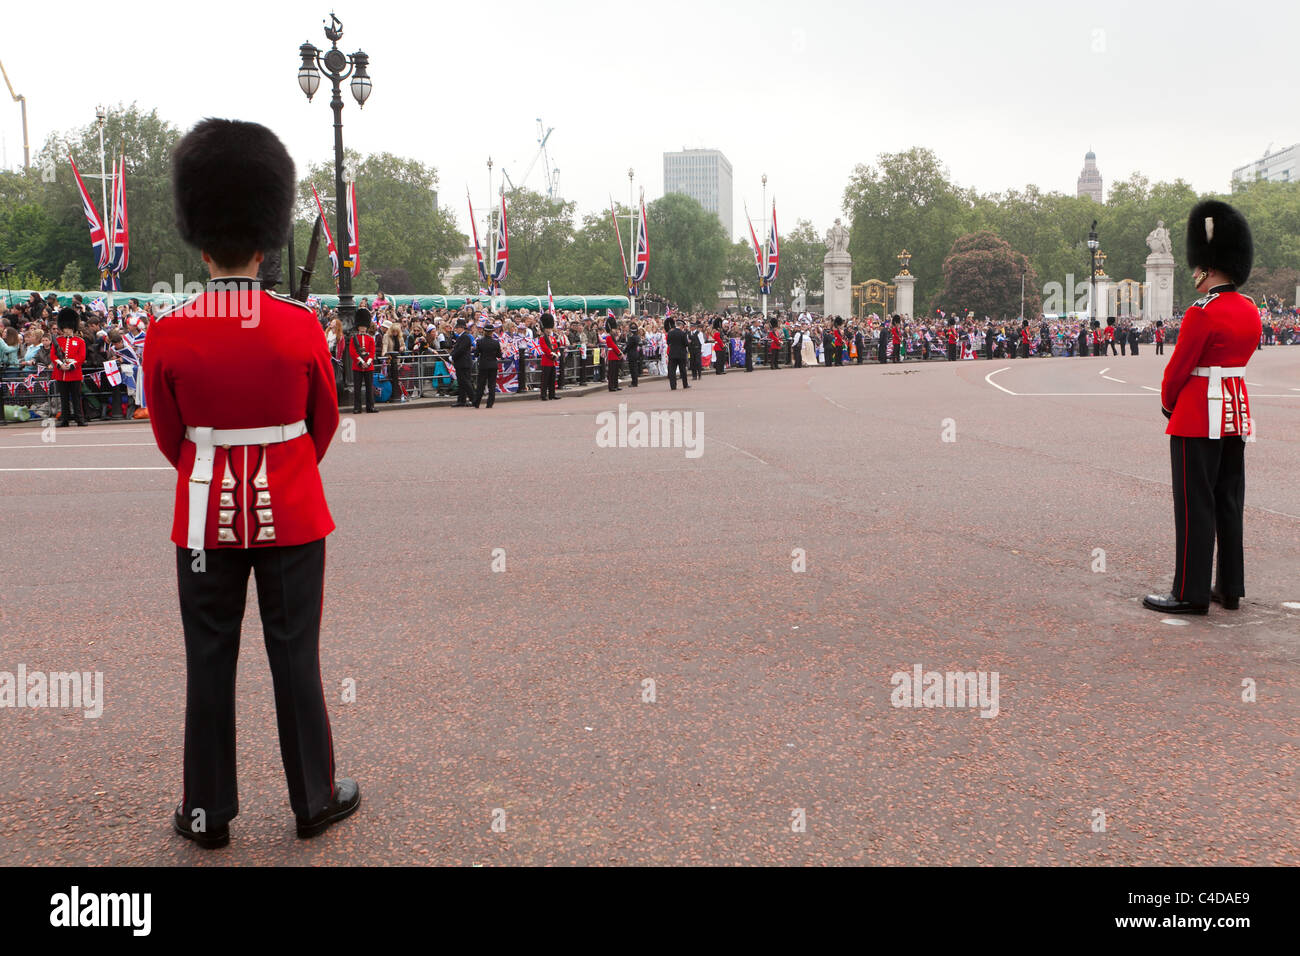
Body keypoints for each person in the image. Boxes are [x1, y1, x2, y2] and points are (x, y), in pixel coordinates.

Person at [146, 118, 356, 849]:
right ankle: (314, 798)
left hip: (203, 518)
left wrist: (212, 469)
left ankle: (206, 813)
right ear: (266, 242)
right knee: (294, 656)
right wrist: (285, 471)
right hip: (292, 515)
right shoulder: (298, 325)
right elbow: (322, 422)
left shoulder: (168, 331)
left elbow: (169, 436)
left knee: (209, 664)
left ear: (200, 242)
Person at [1143, 200, 1260, 616]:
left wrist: (1168, 404)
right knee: (1229, 500)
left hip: (1196, 416)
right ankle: (1229, 587)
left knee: (1195, 504)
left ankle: (1190, 593)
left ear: (1206, 266)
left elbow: (1177, 371)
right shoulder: (1250, 310)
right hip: (1235, 413)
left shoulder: (1201, 312)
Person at [52, 309, 87, 427]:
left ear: (73, 328)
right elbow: (53, 355)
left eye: (69, 328)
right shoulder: (58, 341)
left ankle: (79, 419)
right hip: (61, 373)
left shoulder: (80, 341)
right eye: (65, 328)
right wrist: (60, 364)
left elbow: (81, 357)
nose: (66, 330)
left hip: (74, 373)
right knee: (64, 398)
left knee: (76, 397)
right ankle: (65, 419)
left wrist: (71, 365)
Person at [348, 309, 376, 414]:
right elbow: (352, 352)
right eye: (361, 326)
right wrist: (360, 362)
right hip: (357, 366)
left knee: (369, 388)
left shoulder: (370, 339)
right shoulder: (353, 338)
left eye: (364, 326)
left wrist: (367, 362)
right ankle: (357, 408)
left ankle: (370, 407)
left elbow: (372, 352)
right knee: (357, 388)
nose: (363, 328)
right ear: (358, 327)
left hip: (368, 366)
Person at [473, 324, 501, 407]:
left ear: (484, 332)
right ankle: (490, 403)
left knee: (481, 384)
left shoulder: (479, 341)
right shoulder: (496, 342)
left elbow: (476, 354)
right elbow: (499, 355)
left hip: (483, 365)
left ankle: (477, 403)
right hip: (493, 364)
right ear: (492, 332)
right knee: (492, 385)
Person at [538, 312, 560, 400]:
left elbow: (556, 347)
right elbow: (545, 349)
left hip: (553, 361)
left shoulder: (553, 338)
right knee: (545, 380)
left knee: (552, 379)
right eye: (547, 328)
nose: (549, 330)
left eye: (550, 328)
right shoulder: (542, 338)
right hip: (546, 361)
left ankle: (552, 394)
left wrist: (557, 353)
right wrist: (553, 355)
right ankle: (543, 395)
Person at [603, 317, 624, 391]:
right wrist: (619, 352)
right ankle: (611, 386)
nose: (615, 330)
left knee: (615, 372)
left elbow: (615, 345)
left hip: (615, 355)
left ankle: (615, 385)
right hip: (612, 355)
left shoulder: (612, 336)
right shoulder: (608, 336)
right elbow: (613, 346)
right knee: (611, 372)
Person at [626, 321, 642, 387]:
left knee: (632, 369)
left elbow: (628, 346)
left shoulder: (632, 338)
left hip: (631, 354)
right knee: (634, 368)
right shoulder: (637, 337)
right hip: (635, 354)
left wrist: (623, 352)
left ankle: (634, 382)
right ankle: (635, 382)